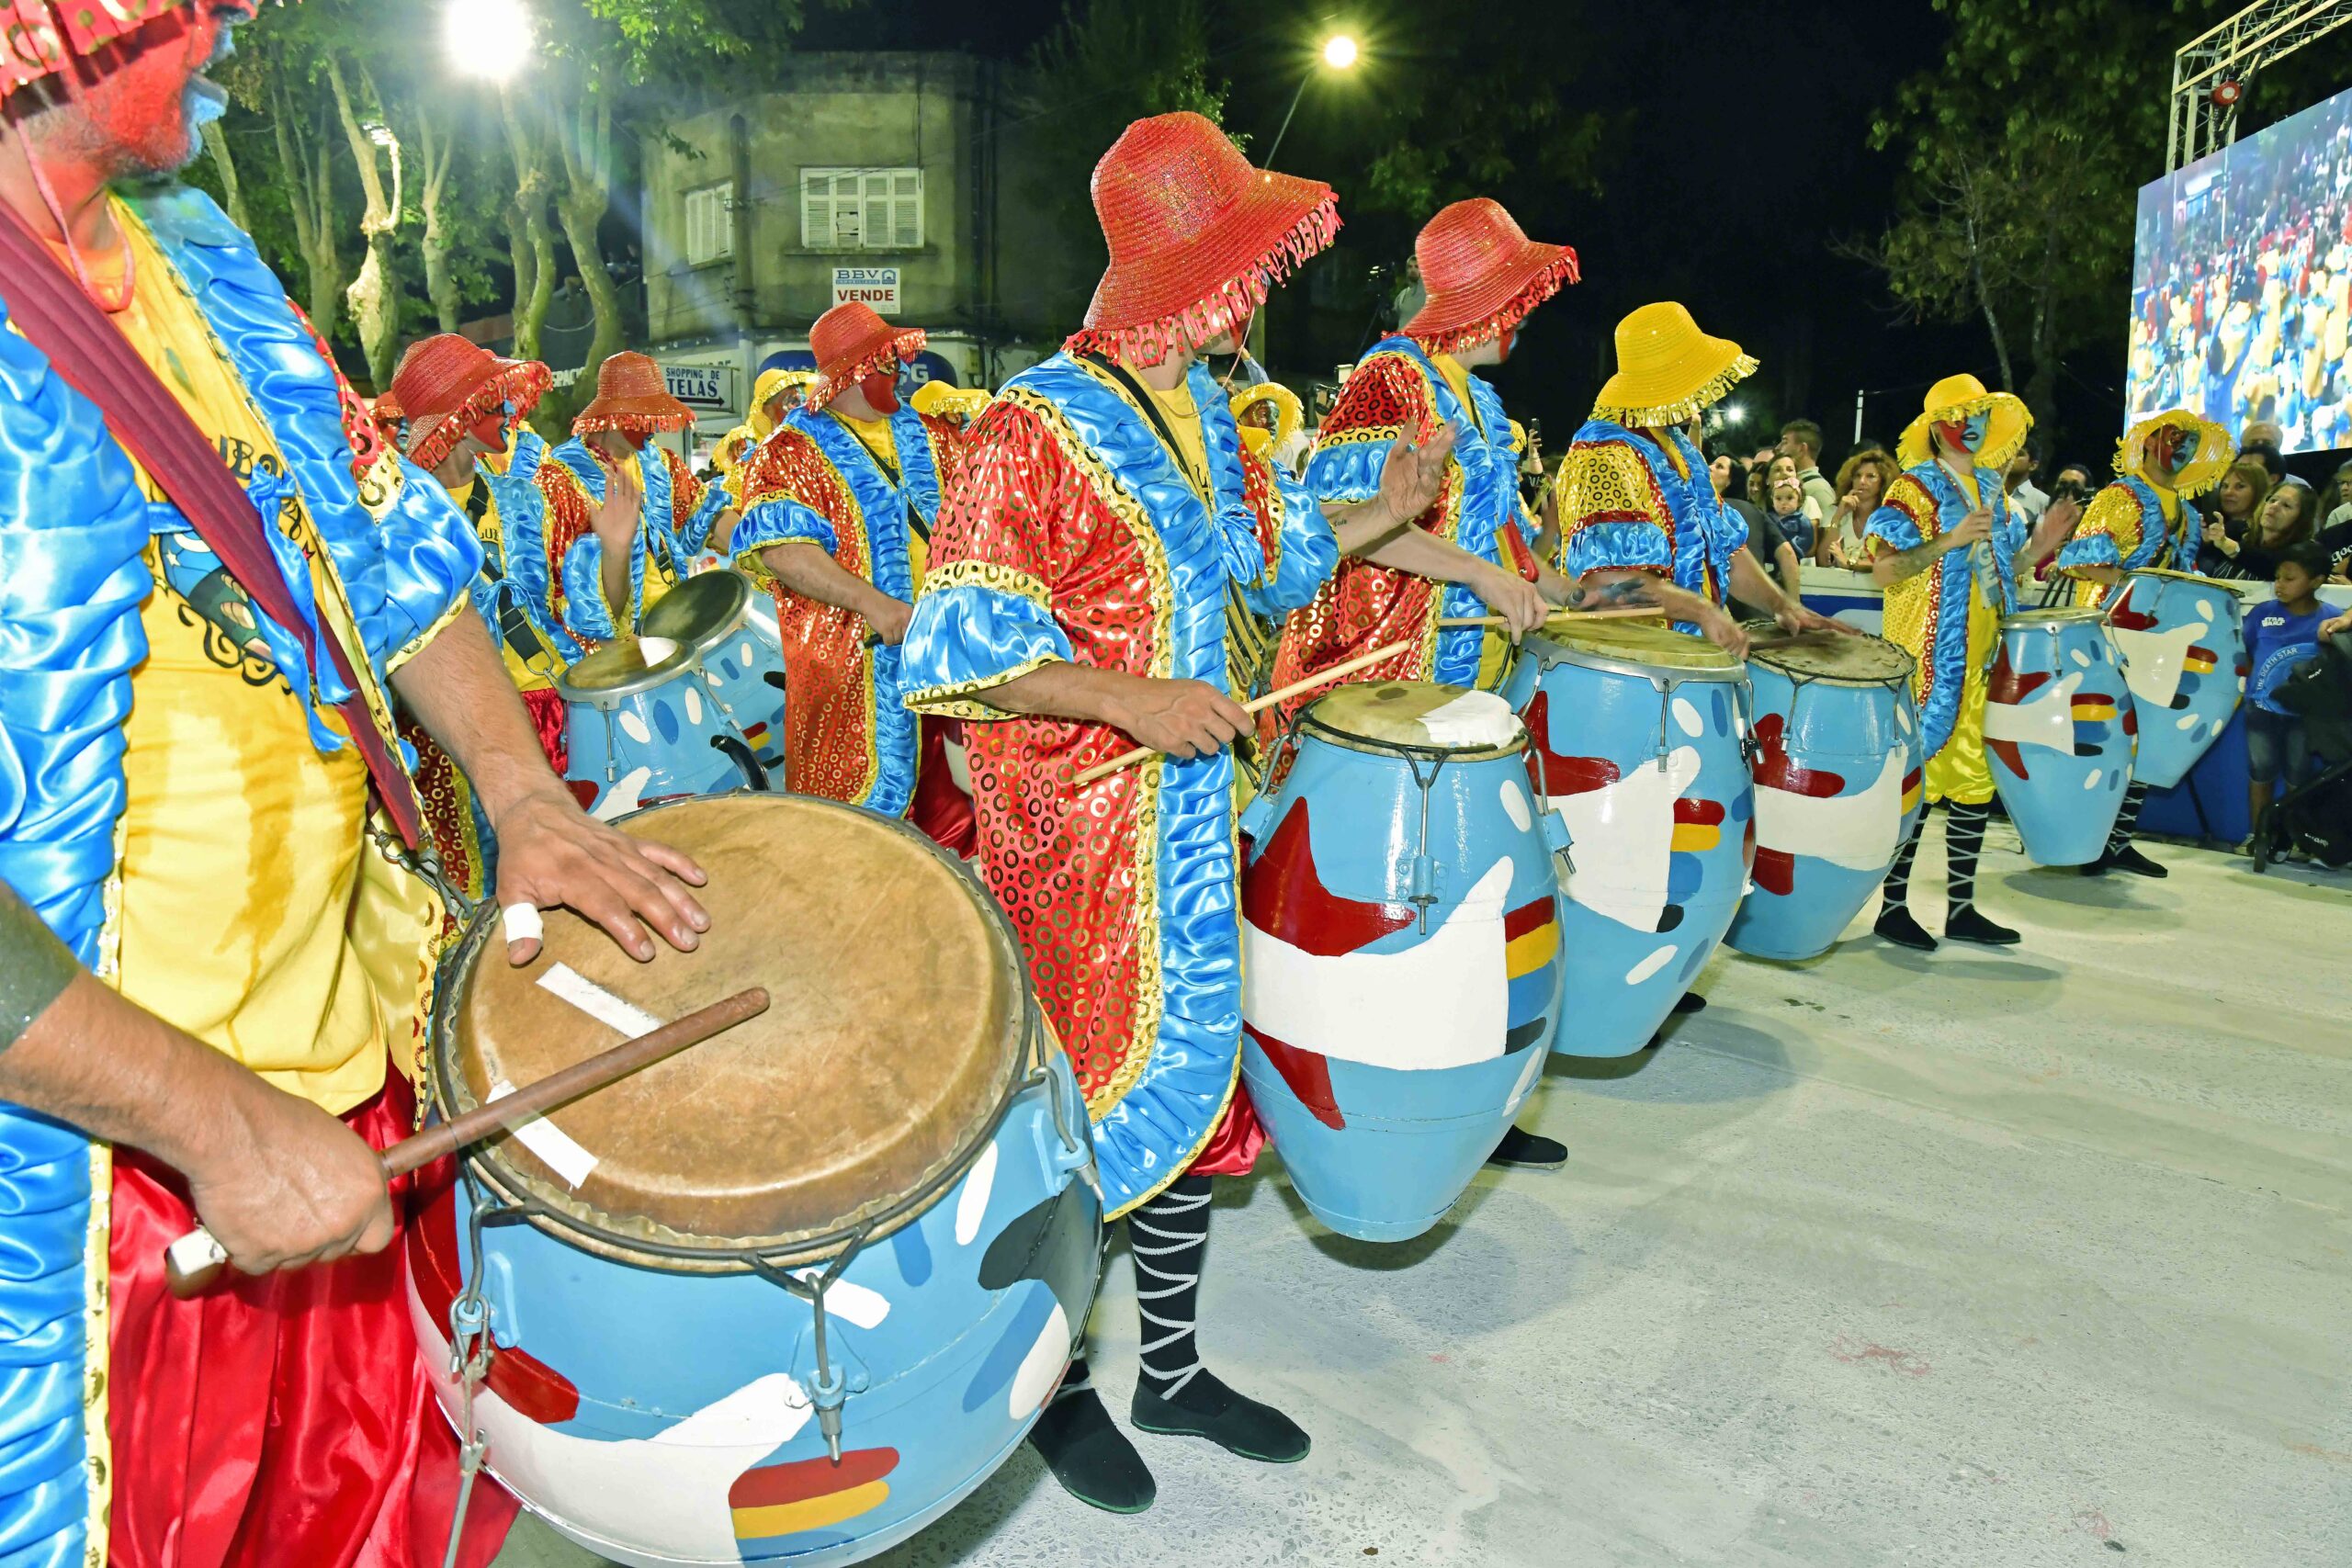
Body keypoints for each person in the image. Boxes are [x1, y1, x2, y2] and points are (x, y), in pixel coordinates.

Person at [0, 6, 712, 1564]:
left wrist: (521, 796)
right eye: (189, 7)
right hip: (94, 1180)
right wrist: (207, 1117)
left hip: (336, 1075)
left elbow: (391, 552)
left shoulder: (197, 249)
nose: (235, 23)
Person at [899, 111, 1351, 1514]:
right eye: (1235, 268)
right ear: (1179, 273)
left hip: (1187, 824)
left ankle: (1169, 1364)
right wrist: (1128, 696)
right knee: (1077, 1107)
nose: (1252, 295)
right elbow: (957, 637)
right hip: (1076, 831)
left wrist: (1388, 514)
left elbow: (1275, 568)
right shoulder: (1034, 423)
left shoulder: (1207, 410)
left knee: (1192, 1094)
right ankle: (1060, 1386)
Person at [1275, 196, 1582, 731]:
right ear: (1477, 300)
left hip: (1467, 678)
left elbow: (1501, 535)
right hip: (1381, 676)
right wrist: (1479, 575)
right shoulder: (1390, 375)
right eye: (1514, 292)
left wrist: (1569, 592)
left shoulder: (1479, 399)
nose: (1528, 308)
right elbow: (1339, 519)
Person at [729, 301, 972, 849]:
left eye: (895, 362)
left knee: (957, 827)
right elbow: (782, 552)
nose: (897, 374)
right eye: (885, 363)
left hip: (946, 666)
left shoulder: (934, 435)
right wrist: (874, 603)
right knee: (851, 839)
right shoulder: (787, 453)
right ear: (852, 373)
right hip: (852, 678)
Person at [390, 333, 573, 910]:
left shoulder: (525, 497)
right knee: (481, 895)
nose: (511, 414)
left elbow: (561, 608)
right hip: (458, 732)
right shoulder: (399, 514)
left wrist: (614, 549)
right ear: (459, 418)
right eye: (495, 405)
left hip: (552, 706)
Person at [1555, 302, 1847, 654]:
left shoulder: (1678, 446)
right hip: (1630, 665)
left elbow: (1727, 550)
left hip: (1691, 658)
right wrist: (1702, 611)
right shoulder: (1600, 454)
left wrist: (1783, 605)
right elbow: (1606, 583)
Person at [1864, 375, 2036, 951]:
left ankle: (1960, 908)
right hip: (1930, 664)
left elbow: (2003, 575)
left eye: (1980, 413)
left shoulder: (1995, 489)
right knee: (1916, 782)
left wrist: (2042, 546)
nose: (1971, 424)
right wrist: (1951, 540)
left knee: (1974, 784)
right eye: (1959, 414)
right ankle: (1891, 908)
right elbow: (1885, 571)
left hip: (1984, 665)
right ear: (1936, 428)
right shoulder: (1912, 488)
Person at [2048, 409, 2231, 876]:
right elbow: (2081, 559)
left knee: (2148, 732)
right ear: (2149, 442)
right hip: (2110, 633)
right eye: (2175, 437)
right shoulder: (2120, 496)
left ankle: (2118, 838)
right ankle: (2087, 840)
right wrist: (2132, 589)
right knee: (2108, 736)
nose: (2183, 448)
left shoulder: (2188, 513)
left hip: (2159, 638)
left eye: (2191, 441)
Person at [535, 352, 741, 649]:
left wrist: (755, 548)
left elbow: (707, 514)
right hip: (610, 647)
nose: (653, 428)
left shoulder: (660, 462)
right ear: (612, 418)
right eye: (643, 418)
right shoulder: (560, 480)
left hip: (677, 621)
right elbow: (558, 589)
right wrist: (611, 648)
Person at [2245, 544, 2333, 844]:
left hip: (2306, 717)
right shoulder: (2261, 614)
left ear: (2316, 581)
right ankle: (2260, 836)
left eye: (2290, 578)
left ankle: (2297, 841)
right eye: (2277, 577)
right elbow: (2246, 654)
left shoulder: (2331, 621)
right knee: (2261, 772)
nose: (2279, 585)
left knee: (2299, 777)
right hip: (2261, 710)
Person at [2209, 476, 2321, 581]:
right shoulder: (2238, 530)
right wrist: (2205, 536)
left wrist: (2228, 546)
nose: (2275, 506)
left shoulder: (2302, 553)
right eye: (2272, 500)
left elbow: (2270, 565)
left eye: (2286, 505)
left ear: (2301, 519)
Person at [1821, 446, 1900, 568]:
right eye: (1857, 476)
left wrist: (1850, 564)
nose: (1862, 481)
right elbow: (1823, 561)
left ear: (1884, 481)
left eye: (1871, 476)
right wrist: (1837, 518)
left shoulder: (1892, 517)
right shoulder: (1834, 511)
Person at [2194, 457, 2271, 574]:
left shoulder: (2264, 534)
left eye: (2240, 486)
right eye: (2225, 486)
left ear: (2258, 491)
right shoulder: (2209, 524)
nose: (2228, 492)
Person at [1777, 417, 1840, 523]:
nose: (1778, 447)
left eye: (1785, 442)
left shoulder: (1819, 490)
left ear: (1802, 449)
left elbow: (1829, 532)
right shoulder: (1793, 484)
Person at [2003, 431, 2051, 531]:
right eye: (2009, 452)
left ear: (2033, 465)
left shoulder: (2043, 502)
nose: (2010, 458)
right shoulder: (1989, 490)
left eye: (2019, 454)